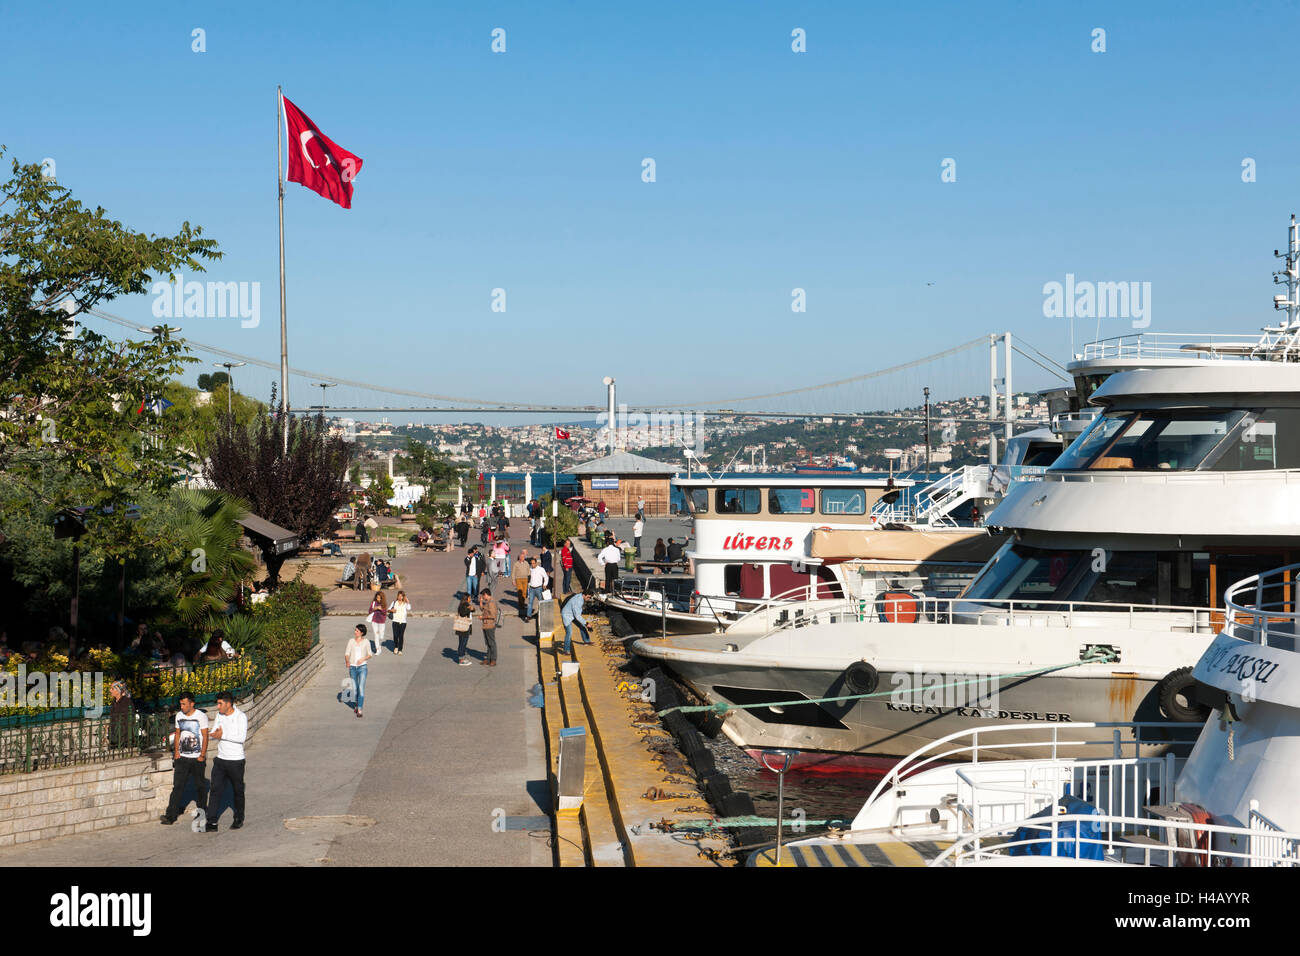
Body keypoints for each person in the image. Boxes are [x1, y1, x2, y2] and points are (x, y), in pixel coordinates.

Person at [160, 692, 209, 825]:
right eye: (180, 704)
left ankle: (202, 813)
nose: (182, 707)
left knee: (200, 787)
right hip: (182, 758)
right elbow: (177, 734)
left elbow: (205, 736)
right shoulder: (179, 716)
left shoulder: (201, 716)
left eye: (184, 704)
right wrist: (176, 752)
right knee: (177, 787)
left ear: (192, 704)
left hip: (197, 758)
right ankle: (170, 815)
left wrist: (202, 755)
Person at [204, 691, 247, 832]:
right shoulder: (219, 715)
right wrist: (215, 734)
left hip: (236, 761)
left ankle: (239, 817)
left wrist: (223, 734)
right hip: (220, 760)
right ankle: (211, 821)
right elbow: (215, 732)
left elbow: (241, 737)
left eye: (220, 703)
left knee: (238, 790)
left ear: (228, 704)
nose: (218, 706)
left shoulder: (240, 717)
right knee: (215, 789)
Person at [344, 624, 372, 717]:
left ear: (362, 633)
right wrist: (347, 661)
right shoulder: (351, 641)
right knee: (355, 689)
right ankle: (357, 703)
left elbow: (370, 654)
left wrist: (363, 659)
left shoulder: (366, 642)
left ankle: (360, 709)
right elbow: (347, 653)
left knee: (361, 688)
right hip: (352, 667)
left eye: (357, 631)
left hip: (362, 667)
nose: (355, 632)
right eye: (355, 630)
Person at [560, 585, 592, 656]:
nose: (589, 599)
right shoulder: (578, 601)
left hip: (572, 614)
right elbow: (577, 616)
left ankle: (586, 641)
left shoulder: (580, 597)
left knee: (582, 625)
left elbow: (577, 614)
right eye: (588, 597)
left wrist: (584, 623)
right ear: (584, 595)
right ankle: (566, 650)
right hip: (567, 615)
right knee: (569, 633)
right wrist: (587, 623)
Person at [108, 679, 133, 750]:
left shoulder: (126, 702)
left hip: (123, 739)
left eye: (112, 689)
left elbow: (127, 721)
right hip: (115, 736)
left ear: (118, 690)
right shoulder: (114, 702)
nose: (110, 690)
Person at [479, 589, 501, 667]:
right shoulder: (488, 602)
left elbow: (492, 615)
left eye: (482, 596)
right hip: (486, 624)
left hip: (490, 625)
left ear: (485, 594)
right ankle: (488, 659)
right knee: (488, 642)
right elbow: (482, 609)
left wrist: (482, 617)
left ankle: (493, 659)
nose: (482, 597)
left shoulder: (491, 602)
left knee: (491, 642)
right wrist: (480, 602)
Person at [453, 596, 474, 666]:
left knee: (463, 642)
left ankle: (462, 657)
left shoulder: (467, 605)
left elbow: (473, 610)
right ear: (466, 598)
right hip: (463, 626)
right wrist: (469, 609)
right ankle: (461, 660)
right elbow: (463, 613)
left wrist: (471, 608)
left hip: (467, 625)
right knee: (463, 642)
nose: (470, 599)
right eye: (469, 598)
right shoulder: (463, 605)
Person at [389, 590, 411, 656]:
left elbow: (409, 608)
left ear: (403, 597)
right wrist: (392, 610)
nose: (400, 597)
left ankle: (400, 650)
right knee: (395, 635)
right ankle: (396, 647)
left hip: (403, 622)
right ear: (397, 596)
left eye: (401, 596)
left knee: (401, 636)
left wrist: (407, 601)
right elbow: (388, 609)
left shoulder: (405, 604)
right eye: (399, 596)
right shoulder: (394, 602)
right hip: (395, 621)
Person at [514, 548, 531, 616]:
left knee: (524, 592)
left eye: (524, 557)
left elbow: (528, 570)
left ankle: (522, 603)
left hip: (525, 579)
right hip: (518, 579)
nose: (523, 558)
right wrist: (513, 580)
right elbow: (513, 572)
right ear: (519, 557)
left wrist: (529, 576)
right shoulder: (516, 564)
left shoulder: (526, 563)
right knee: (520, 591)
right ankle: (521, 604)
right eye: (522, 557)